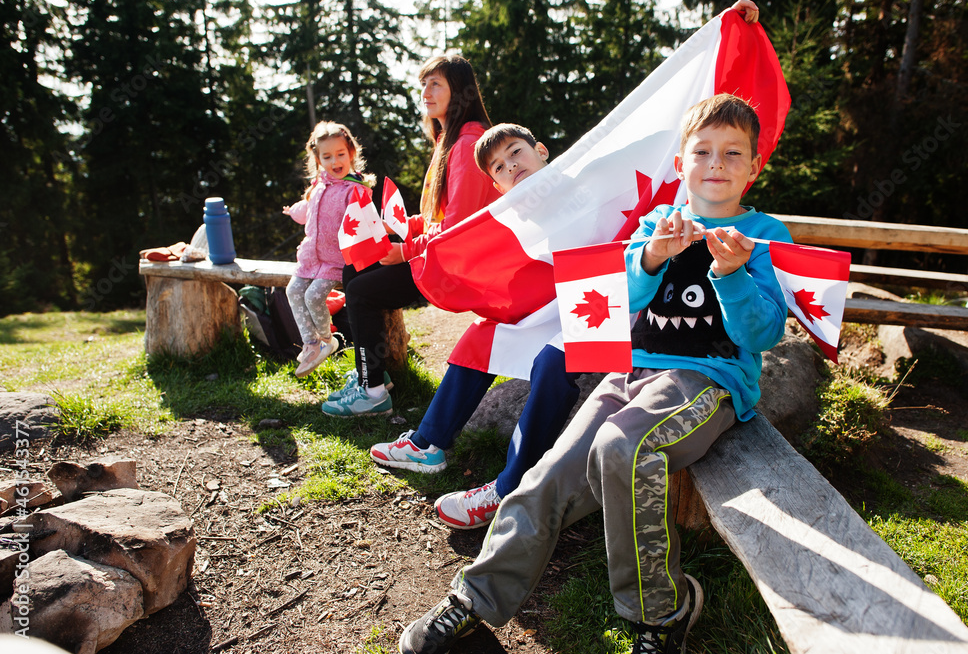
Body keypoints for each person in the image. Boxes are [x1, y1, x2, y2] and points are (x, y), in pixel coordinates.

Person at [397, 92, 792, 654]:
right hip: (631, 372)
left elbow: (763, 334)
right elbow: (619, 292)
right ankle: (474, 599)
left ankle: (663, 612)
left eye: (733, 154)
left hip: (710, 379)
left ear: (754, 166)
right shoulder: (660, 221)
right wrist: (652, 255)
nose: (716, 165)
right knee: (546, 476)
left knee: (621, 449)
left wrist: (730, 274)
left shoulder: (764, 234)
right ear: (681, 165)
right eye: (702, 152)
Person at [369, 123, 579, 531]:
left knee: (554, 366)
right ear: (497, 186)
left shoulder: (581, 185)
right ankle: (429, 443)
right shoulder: (515, 211)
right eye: (499, 167)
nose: (511, 166)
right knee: (484, 335)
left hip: (603, 302)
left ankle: (512, 486)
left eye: (516, 152)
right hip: (551, 308)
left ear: (542, 150)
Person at [322, 54, 501, 417]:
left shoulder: (467, 144)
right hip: (441, 253)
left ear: (460, 92)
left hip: (457, 266)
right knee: (356, 268)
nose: (425, 92)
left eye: (435, 84)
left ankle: (372, 394)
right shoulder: (450, 140)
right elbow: (444, 215)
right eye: (424, 84)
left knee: (360, 291)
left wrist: (406, 250)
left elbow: (459, 229)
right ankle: (371, 375)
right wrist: (398, 226)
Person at [282, 121, 371, 378]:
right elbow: (307, 209)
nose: (335, 161)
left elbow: (364, 220)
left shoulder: (354, 189)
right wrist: (293, 211)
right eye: (327, 156)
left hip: (335, 260)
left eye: (340, 154)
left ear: (351, 153)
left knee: (313, 296)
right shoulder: (318, 186)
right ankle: (311, 343)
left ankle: (326, 339)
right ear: (319, 159)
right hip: (310, 258)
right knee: (293, 290)